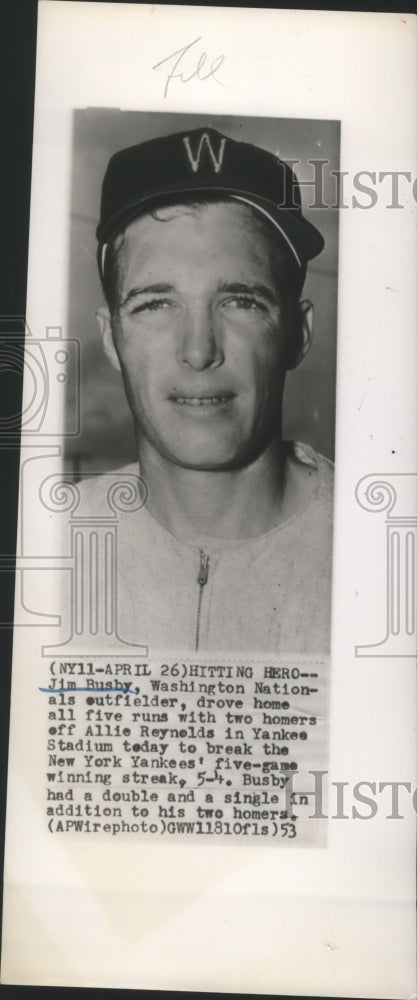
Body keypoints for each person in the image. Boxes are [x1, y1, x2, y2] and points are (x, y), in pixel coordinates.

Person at [79, 125, 333, 655]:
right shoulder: (42, 548)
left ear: (297, 334)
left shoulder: (387, 548)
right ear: (112, 336)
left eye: (240, 301)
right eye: (154, 304)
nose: (198, 351)